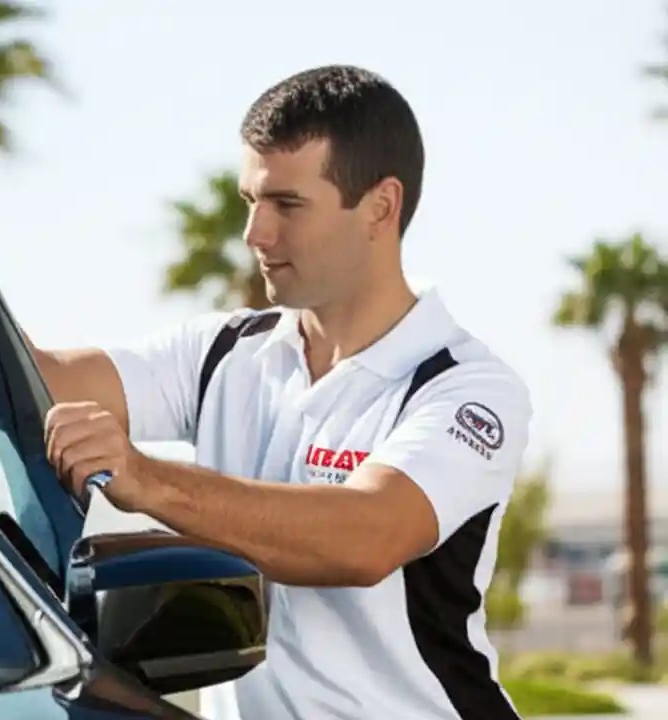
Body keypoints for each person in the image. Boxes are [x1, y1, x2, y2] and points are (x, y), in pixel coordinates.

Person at [29, 65, 532, 720]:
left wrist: (147, 480)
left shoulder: (466, 387)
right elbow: (32, 375)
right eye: (250, 201)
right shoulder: (225, 352)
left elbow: (364, 539)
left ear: (381, 206)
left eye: (287, 205)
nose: (255, 235)